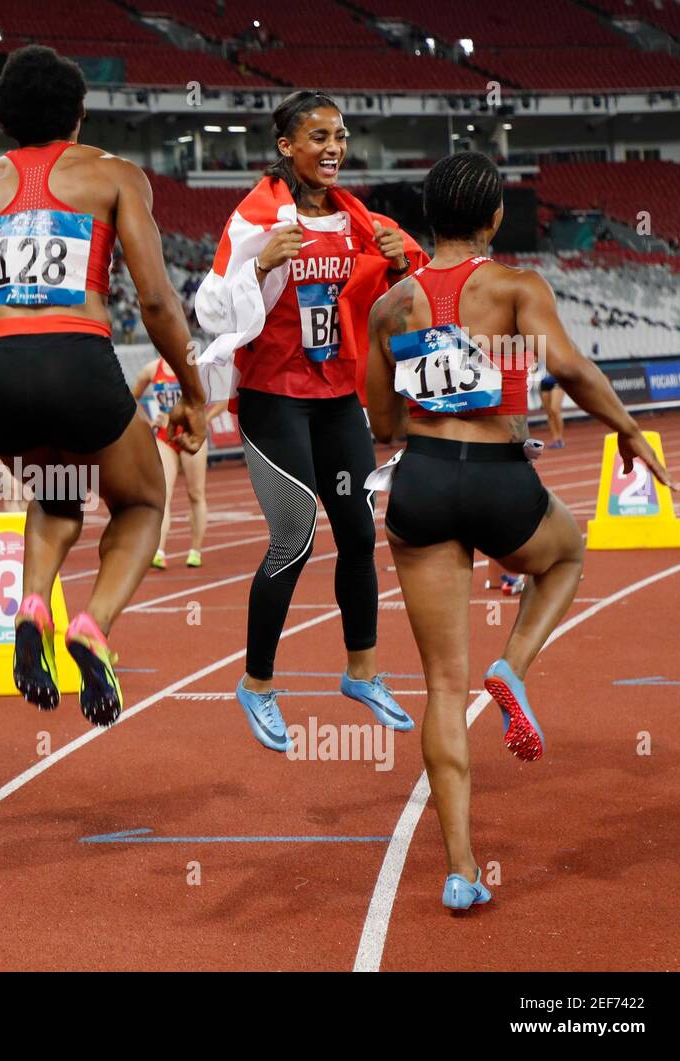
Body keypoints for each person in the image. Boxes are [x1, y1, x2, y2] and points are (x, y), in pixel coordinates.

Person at [364, 151, 673, 911]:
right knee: (566, 554)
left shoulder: (390, 305)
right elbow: (566, 367)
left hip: (422, 483)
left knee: (440, 684)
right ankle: (516, 666)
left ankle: (461, 869)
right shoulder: (514, 286)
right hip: (497, 478)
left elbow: (379, 422)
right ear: (494, 217)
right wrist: (627, 428)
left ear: (427, 220)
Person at [0, 45, 207, 728]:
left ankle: (33, 604)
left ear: (3, 119)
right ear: (80, 113)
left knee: (58, 491)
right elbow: (156, 300)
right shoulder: (114, 176)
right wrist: (194, 389)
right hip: (78, 359)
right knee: (141, 502)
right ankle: (90, 627)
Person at [194, 89, 424, 752]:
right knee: (293, 539)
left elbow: (403, 295)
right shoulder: (256, 216)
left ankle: (362, 672)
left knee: (358, 531)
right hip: (274, 397)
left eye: (342, 137)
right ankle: (257, 682)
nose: (333, 149)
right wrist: (261, 264)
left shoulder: (359, 220)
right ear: (286, 146)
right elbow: (211, 306)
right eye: (319, 136)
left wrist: (402, 262)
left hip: (335, 397)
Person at [131, 356, 225, 569]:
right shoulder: (151, 368)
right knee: (163, 494)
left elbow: (226, 396)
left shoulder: (196, 366)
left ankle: (195, 550)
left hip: (192, 434)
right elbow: (132, 396)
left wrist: (205, 419)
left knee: (195, 493)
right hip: (165, 434)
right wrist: (147, 421)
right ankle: (159, 551)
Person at [539, 368, 565, 449]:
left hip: (557, 380)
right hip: (544, 382)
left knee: (555, 409)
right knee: (549, 413)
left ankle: (560, 439)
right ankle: (555, 439)